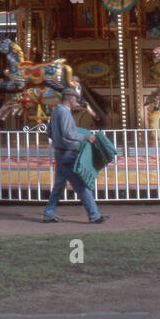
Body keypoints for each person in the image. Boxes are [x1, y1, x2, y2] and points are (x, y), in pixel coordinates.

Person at [42, 86, 109, 225]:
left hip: (60, 152)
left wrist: (57, 140)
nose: (76, 102)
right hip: (68, 153)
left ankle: (49, 214)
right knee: (81, 185)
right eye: (75, 100)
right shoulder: (65, 112)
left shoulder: (55, 111)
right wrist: (86, 137)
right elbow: (69, 133)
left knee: (59, 185)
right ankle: (94, 216)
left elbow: (49, 131)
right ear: (71, 99)